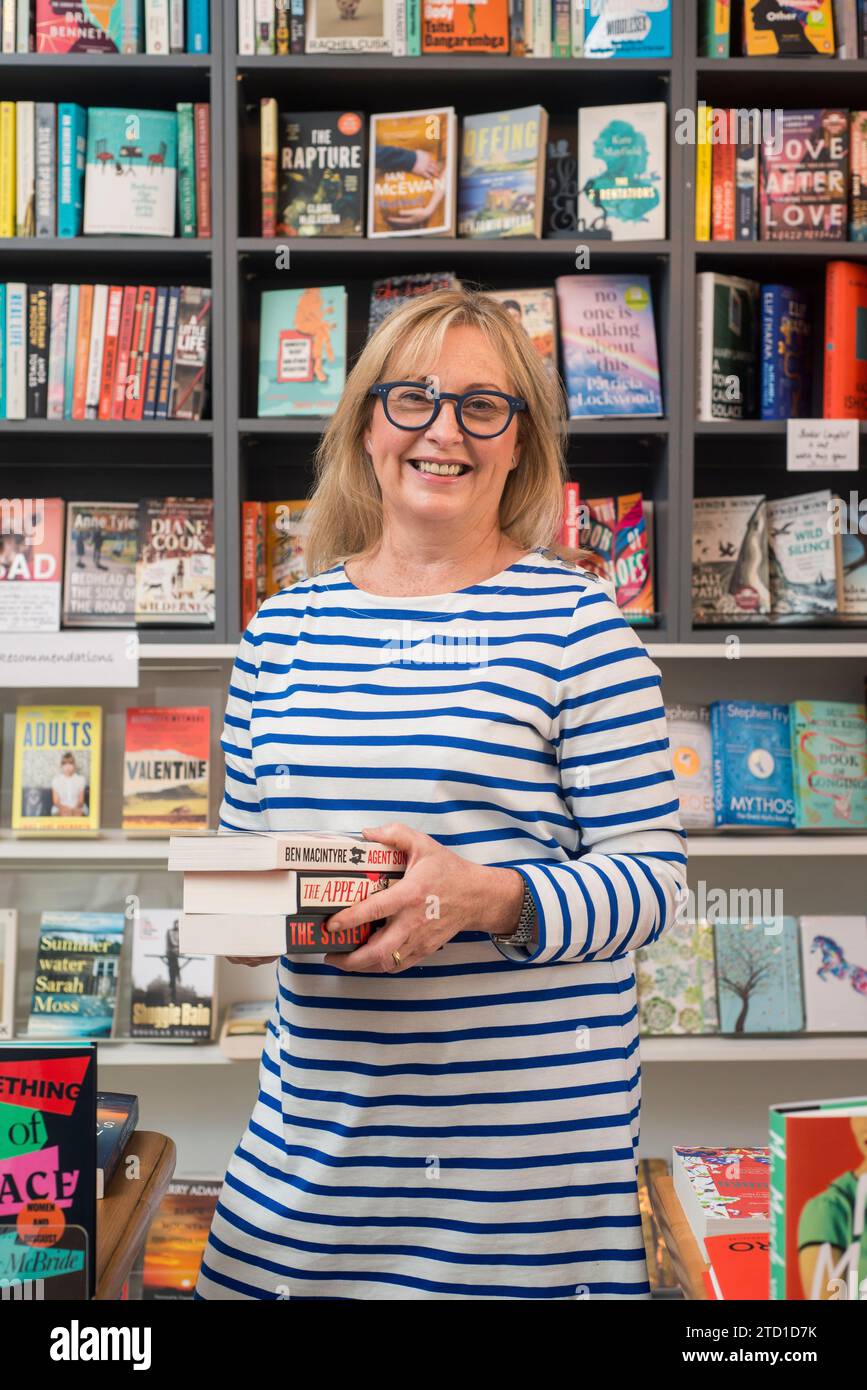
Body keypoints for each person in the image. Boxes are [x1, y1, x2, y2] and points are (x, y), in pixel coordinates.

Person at [195, 288, 686, 1301]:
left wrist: (485, 898)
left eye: (481, 406)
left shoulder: (580, 626)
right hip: (315, 1162)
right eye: (412, 398)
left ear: (519, 444)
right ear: (367, 425)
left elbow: (653, 885)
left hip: (526, 1186)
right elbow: (243, 891)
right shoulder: (279, 633)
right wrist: (237, 914)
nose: (443, 431)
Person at [51, 752, 86, 817]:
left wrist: (74, 809)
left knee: (77, 815)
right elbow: (56, 801)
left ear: (74, 765)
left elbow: (81, 801)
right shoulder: (56, 781)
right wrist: (65, 809)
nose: (68, 767)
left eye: (70, 763)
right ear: (61, 766)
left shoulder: (81, 780)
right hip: (61, 807)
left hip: (77, 807)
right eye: (65, 763)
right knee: (64, 815)